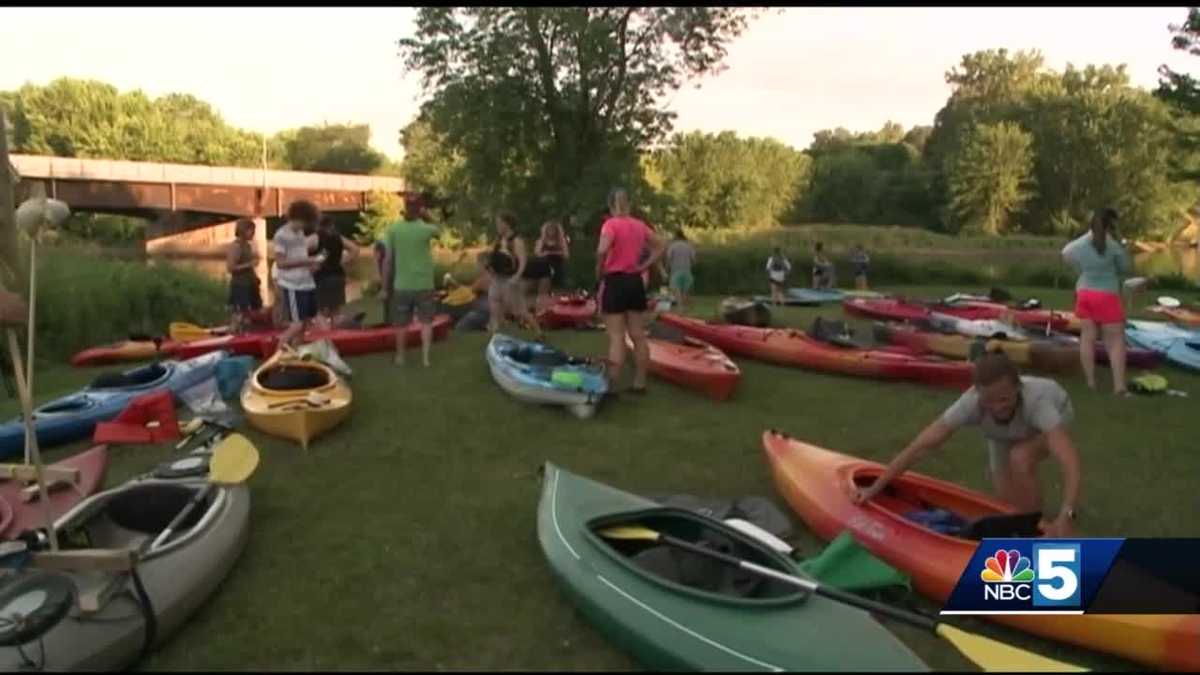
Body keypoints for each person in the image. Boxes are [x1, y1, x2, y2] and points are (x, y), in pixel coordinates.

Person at [854, 352, 1081, 538]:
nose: (997, 407)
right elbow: (920, 446)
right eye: (989, 401)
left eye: (1004, 399)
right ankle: (1027, 524)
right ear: (978, 394)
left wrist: (1066, 513)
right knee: (1005, 499)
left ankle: (1038, 530)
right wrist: (876, 488)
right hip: (1001, 433)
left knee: (1020, 457)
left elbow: (1068, 460)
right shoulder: (970, 403)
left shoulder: (1039, 403)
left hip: (1046, 420)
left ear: (1017, 388)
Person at [596, 188, 666, 394]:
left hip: (616, 281)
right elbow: (661, 245)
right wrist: (644, 265)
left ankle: (612, 384)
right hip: (635, 281)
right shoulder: (639, 225)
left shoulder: (610, 224)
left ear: (610, 205)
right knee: (638, 335)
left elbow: (601, 250)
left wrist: (598, 270)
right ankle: (640, 382)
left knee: (617, 336)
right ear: (629, 204)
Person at [1062, 207, 1132, 396]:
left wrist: (1081, 271)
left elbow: (1065, 253)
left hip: (1084, 292)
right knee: (1116, 341)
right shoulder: (1114, 246)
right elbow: (1125, 268)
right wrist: (1125, 248)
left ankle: (1091, 382)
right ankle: (1119, 387)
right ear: (1112, 225)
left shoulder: (1080, 244)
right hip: (1107, 294)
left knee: (1087, 337)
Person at [382, 195, 440, 367]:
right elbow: (440, 230)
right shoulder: (426, 229)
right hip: (424, 284)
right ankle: (425, 358)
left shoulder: (393, 229)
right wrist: (427, 215)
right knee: (426, 322)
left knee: (401, 323)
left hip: (402, 285)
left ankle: (400, 356)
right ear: (420, 209)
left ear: (405, 207)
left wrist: (385, 287)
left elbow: (388, 260)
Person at [273, 200, 323, 349]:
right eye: (306, 222)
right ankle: (279, 349)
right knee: (297, 323)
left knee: (306, 322)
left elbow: (299, 257)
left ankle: (297, 351)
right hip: (293, 285)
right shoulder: (281, 235)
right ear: (298, 218)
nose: (307, 226)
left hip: (307, 282)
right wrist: (307, 260)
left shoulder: (300, 233)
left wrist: (312, 265)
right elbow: (280, 263)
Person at [485, 211, 541, 337]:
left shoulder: (516, 241)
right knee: (494, 307)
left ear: (507, 224)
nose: (497, 226)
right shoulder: (498, 240)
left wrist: (516, 277)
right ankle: (495, 337)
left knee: (519, 311)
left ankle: (538, 332)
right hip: (497, 279)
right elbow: (494, 258)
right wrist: (489, 268)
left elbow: (522, 261)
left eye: (499, 223)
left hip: (510, 280)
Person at [313, 215, 360, 327]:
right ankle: (339, 335)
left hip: (323, 279)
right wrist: (341, 261)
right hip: (338, 277)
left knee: (318, 312)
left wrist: (311, 265)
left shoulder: (320, 238)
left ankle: (327, 337)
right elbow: (355, 249)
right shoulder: (338, 237)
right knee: (336, 313)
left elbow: (322, 257)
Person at [225, 218, 263, 334]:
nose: (253, 233)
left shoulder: (247, 245)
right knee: (240, 312)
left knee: (255, 309)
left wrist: (255, 277)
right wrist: (249, 265)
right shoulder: (236, 246)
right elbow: (230, 268)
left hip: (250, 283)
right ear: (243, 230)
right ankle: (235, 333)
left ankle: (251, 332)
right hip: (240, 285)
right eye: (251, 230)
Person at [662, 229, 697, 312]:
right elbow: (694, 260)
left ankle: (680, 307)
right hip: (687, 271)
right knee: (685, 290)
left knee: (676, 289)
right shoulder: (689, 246)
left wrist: (666, 270)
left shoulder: (673, 246)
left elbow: (668, 259)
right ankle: (684, 307)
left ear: (676, 236)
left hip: (675, 271)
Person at [534, 220, 571, 292]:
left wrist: (556, 253)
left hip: (558, 265)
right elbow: (537, 253)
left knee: (559, 284)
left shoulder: (561, 241)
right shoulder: (541, 241)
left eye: (553, 230)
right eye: (549, 230)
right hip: (544, 265)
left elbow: (566, 255)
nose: (551, 232)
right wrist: (546, 253)